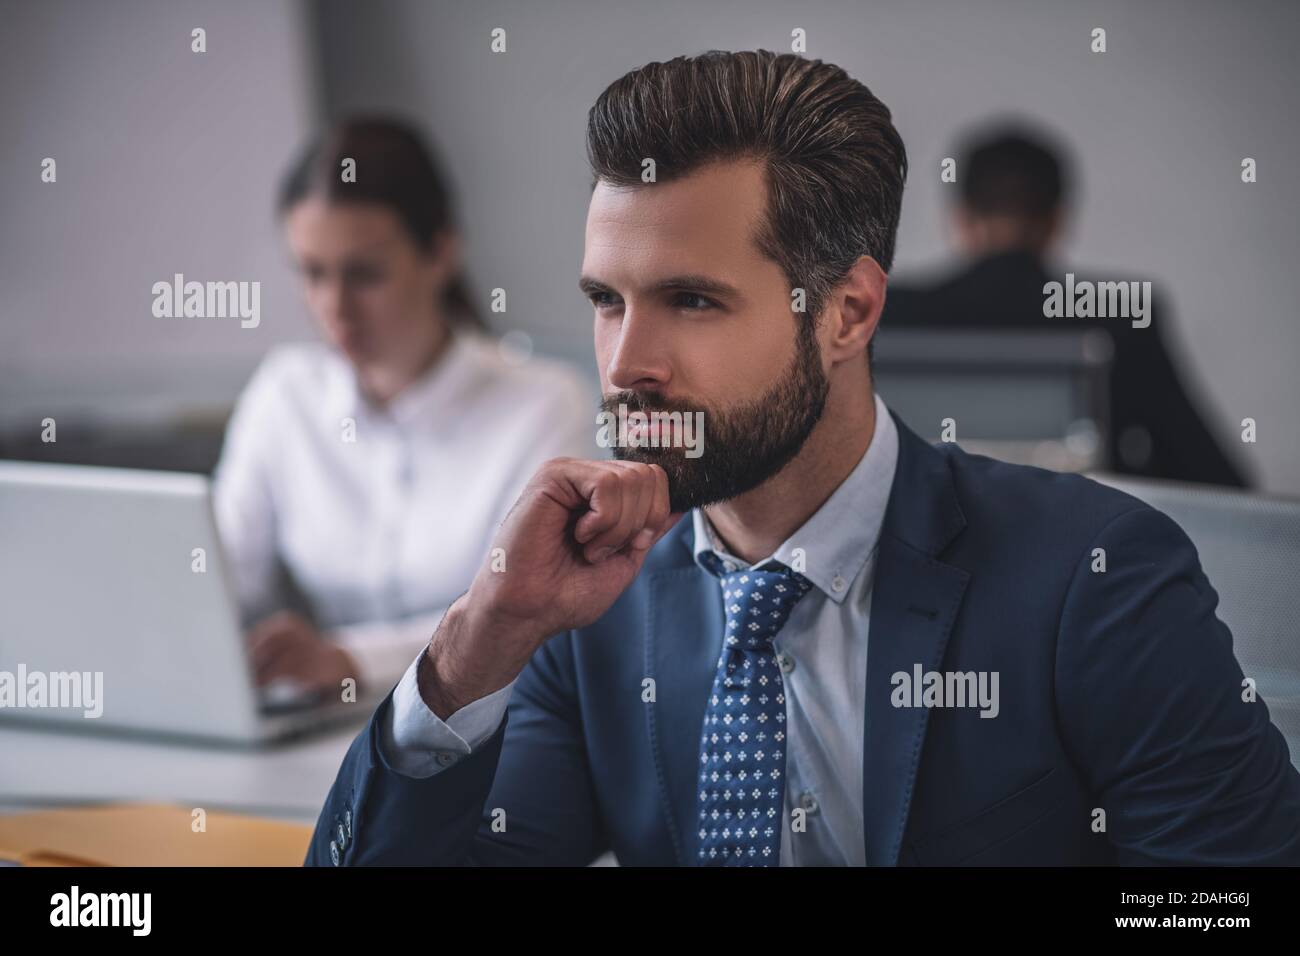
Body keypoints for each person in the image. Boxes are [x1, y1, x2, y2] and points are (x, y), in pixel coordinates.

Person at [307, 54, 1300, 866]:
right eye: (607, 299)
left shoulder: (1094, 576)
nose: (625, 363)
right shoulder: (589, 606)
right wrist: (480, 638)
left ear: (847, 311)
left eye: (691, 300)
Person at [213, 117, 593, 699]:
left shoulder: (545, 405)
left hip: (493, 724)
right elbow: (224, 577)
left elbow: (524, 616)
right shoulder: (284, 394)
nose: (333, 306)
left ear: (441, 252)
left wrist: (348, 659)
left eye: (364, 275)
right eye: (312, 273)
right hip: (320, 721)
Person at [883, 125, 1250, 488]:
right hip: (1082, 544)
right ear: (1057, 220)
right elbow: (1217, 482)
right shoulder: (1121, 315)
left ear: (961, 219)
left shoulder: (891, 314)